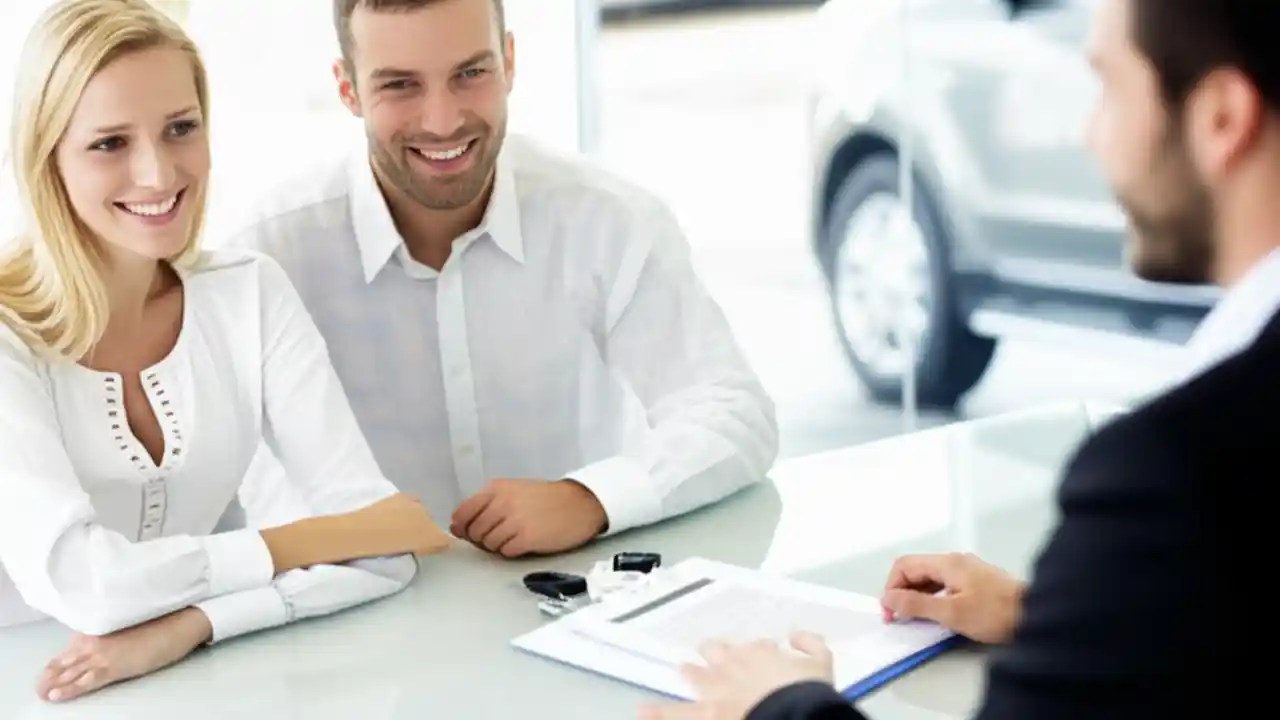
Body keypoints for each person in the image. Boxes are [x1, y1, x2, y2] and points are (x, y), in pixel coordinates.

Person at [641, 0, 1272, 717]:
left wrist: (782, 706)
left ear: (1221, 117)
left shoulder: (1170, 474)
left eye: (1108, 88)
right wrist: (1069, 615)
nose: (1090, 136)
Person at [0, 0, 451, 704]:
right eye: (109, 143)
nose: (157, 174)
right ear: (46, 156)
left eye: (180, 128)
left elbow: (386, 552)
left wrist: (196, 622)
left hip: (182, 683)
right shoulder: (6, 335)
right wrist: (299, 543)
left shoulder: (249, 294)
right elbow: (87, 588)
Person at [225, 0, 779, 559]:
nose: (442, 120)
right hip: (357, 611)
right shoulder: (270, 254)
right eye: (400, 86)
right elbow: (217, 485)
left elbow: (734, 413)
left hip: (580, 594)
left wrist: (589, 498)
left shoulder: (609, 220)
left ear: (509, 62)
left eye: (470, 73)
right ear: (348, 89)